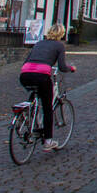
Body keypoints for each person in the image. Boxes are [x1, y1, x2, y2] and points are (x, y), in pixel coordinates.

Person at [19, 23, 75, 151]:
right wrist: (71, 68)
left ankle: (27, 113)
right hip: (41, 76)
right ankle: (48, 141)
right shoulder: (59, 46)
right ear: (61, 34)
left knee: (35, 91)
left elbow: (27, 60)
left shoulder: (39, 43)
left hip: (25, 74)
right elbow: (62, 67)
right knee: (47, 107)